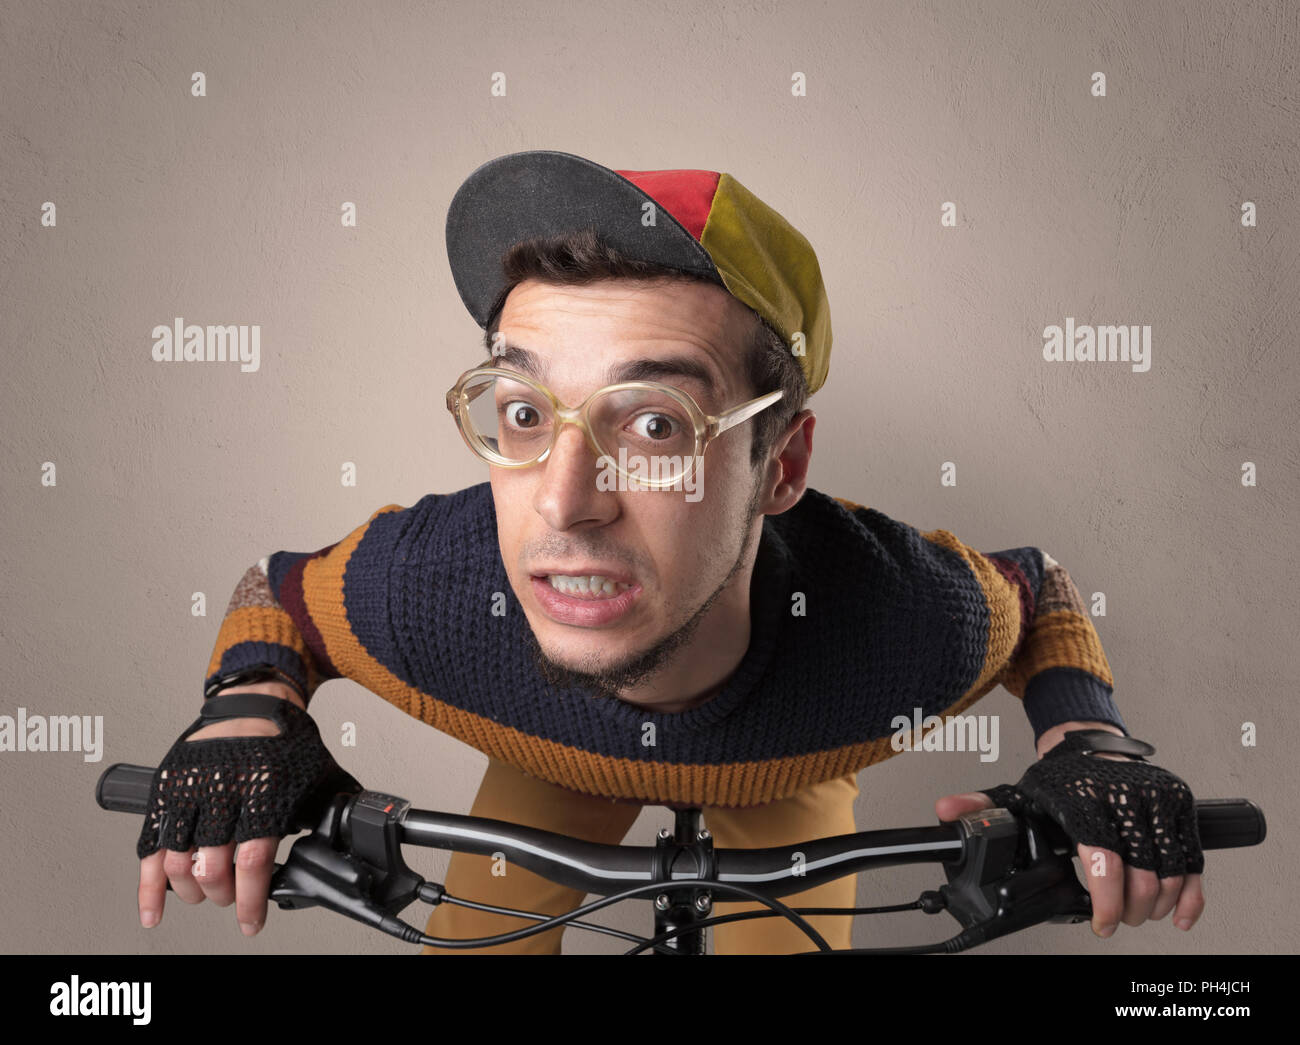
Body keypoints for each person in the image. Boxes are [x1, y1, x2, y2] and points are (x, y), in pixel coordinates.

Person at [135, 150, 1205, 953]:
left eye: (652, 424)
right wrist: (247, 709)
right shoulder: (431, 586)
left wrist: (1089, 741)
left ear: (780, 468)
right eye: (521, 410)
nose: (564, 502)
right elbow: (279, 592)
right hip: (545, 754)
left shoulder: (905, 625)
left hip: (792, 754)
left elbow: (1039, 587)